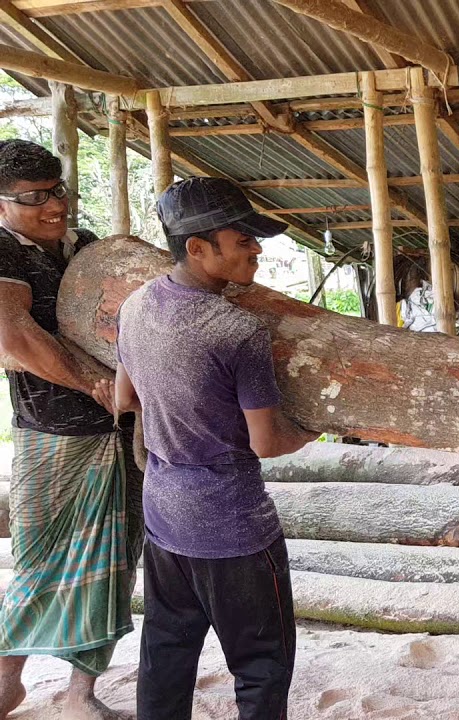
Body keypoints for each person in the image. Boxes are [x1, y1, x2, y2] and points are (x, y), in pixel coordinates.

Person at [113, 177, 315, 720]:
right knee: (262, 663)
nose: (256, 248)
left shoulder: (134, 306)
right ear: (198, 249)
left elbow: (125, 397)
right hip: (232, 524)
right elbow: (268, 443)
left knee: (167, 649)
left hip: (164, 511)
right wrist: (311, 429)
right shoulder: (237, 330)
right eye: (243, 239)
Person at [0, 139, 144, 720]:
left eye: (57, 190)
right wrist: (92, 384)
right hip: (51, 433)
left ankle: (82, 693)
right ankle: (8, 680)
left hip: (121, 429)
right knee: (40, 560)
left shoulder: (88, 248)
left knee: (114, 562)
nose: (54, 204)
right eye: (35, 198)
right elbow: (14, 339)